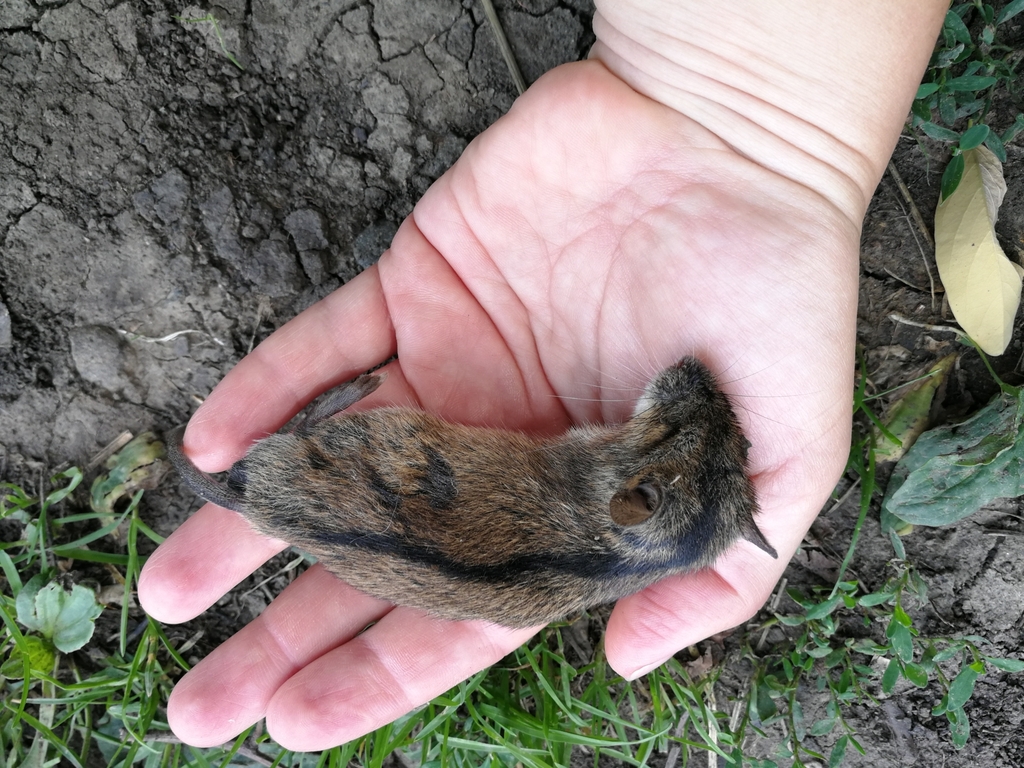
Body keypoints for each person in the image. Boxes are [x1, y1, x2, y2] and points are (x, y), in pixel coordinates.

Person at [139, 0, 947, 752]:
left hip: (378, 480)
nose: (699, 400)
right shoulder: (621, 517)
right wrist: (760, 145)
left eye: (675, 431)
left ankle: (288, 471)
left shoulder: (602, 491)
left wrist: (746, 135)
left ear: (630, 497)